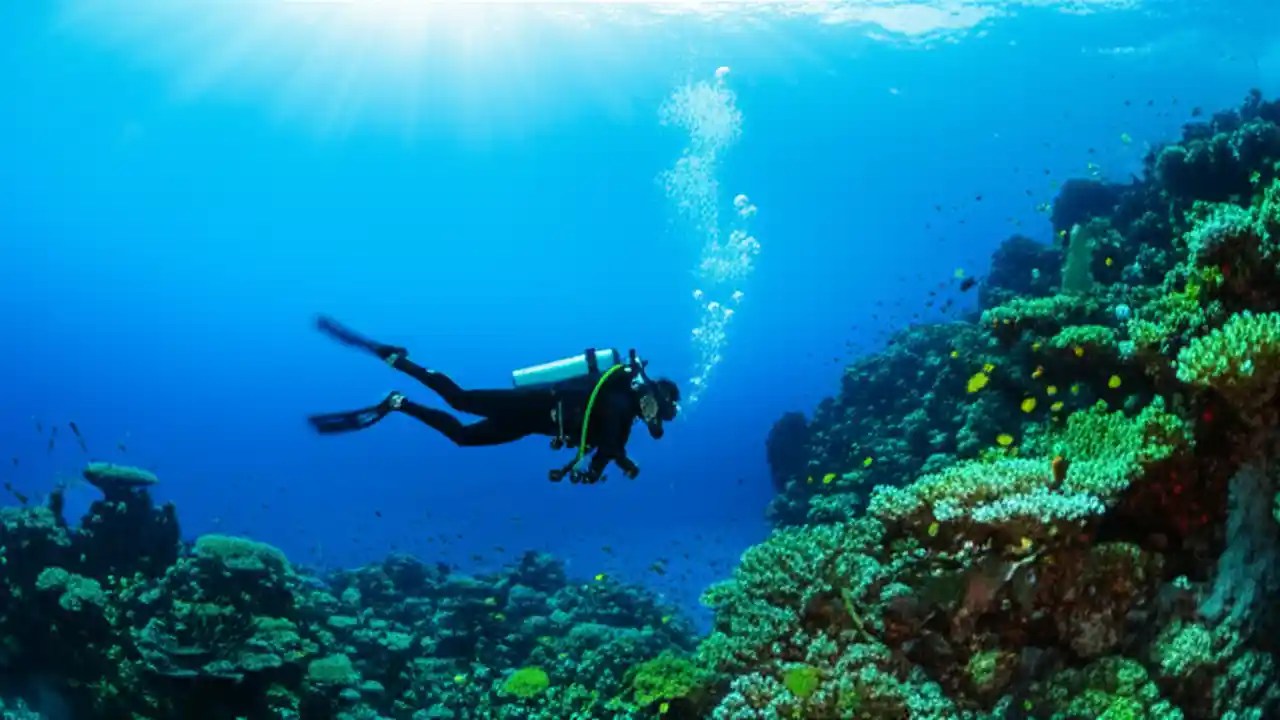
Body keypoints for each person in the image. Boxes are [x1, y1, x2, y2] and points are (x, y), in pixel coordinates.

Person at [306, 316, 680, 484]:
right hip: (533, 403)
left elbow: (604, 449)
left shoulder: (626, 417)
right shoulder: (618, 401)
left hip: (530, 423)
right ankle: (396, 358)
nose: (652, 417)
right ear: (652, 394)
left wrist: (593, 473)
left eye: (656, 416)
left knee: (463, 437)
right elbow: (611, 442)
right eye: (656, 409)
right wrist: (625, 464)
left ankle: (399, 402)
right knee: (460, 399)